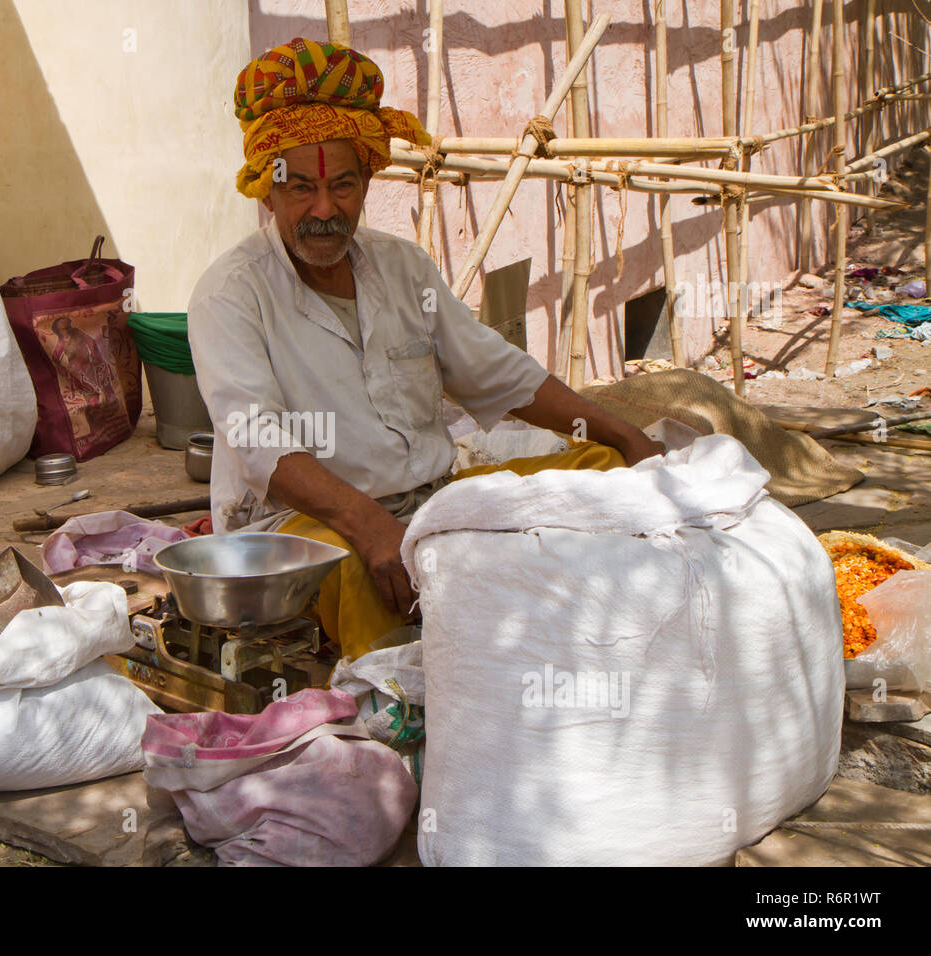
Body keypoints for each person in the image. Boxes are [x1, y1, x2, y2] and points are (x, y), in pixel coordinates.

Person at [188, 37, 664, 660]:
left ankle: (594, 653)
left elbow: (496, 373)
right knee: (357, 576)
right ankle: (396, 711)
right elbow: (258, 441)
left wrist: (623, 436)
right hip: (304, 528)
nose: (324, 210)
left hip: (432, 503)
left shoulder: (404, 267)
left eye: (345, 186)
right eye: (300, 187)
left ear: (366, 183)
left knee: (599, 480)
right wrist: (368, 525)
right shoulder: (230, 293)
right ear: (265, 190)